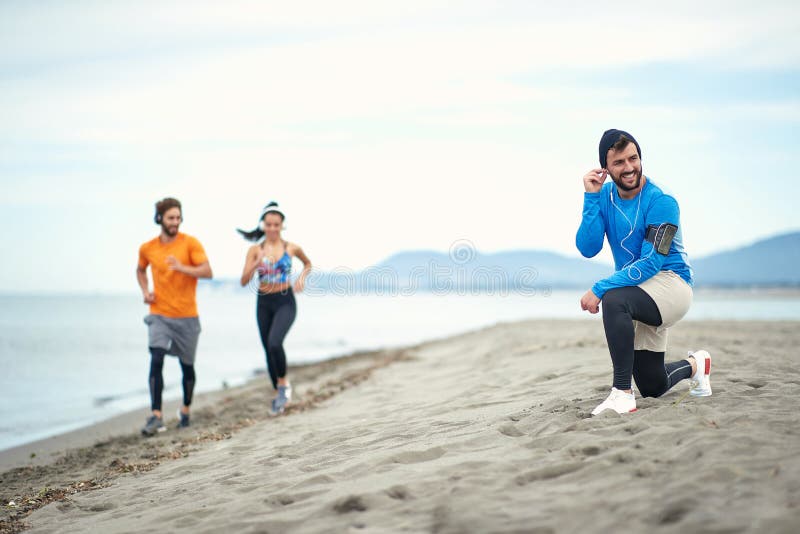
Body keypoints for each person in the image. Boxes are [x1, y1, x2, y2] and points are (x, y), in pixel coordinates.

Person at [576, 129, 712, 416]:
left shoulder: (661, 201)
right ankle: (697, 365)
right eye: (619, 162)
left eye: (633, 158)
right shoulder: (605, 197)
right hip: (638, 289)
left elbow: (651, 263)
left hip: (672, 285)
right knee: (652, 384)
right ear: (606, 168)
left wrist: (600, 288)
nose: (629, 168)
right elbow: (587, 248)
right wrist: (591, 197)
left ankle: (621, 394)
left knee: (614, 300)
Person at [136, 197, 213, 435]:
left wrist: (182, 267)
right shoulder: (148, 248)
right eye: (171, 218)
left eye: (178, 217)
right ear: (160, 218)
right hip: (159, 313)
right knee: (156, 356)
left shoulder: (190, 244)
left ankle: (186, 409)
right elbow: (140, 269)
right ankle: (156, 415)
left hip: (187, 316)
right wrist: (145, 290)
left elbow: (208, 271)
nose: (175, 222)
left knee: (186, 366)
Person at [238, 202, 312, 414]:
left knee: (274, 342)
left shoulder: (292, 248)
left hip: (285, 300)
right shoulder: (255, 249)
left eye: (276, 225)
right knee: (268, 350)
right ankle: (279, 392)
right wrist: (256, 263)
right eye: (268, 224)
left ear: (282, 226)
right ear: (263, 225)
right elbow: (244, 280)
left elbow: (308, 264)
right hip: (263, 302)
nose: (272, 228)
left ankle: (283, 385)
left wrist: (301, 279)